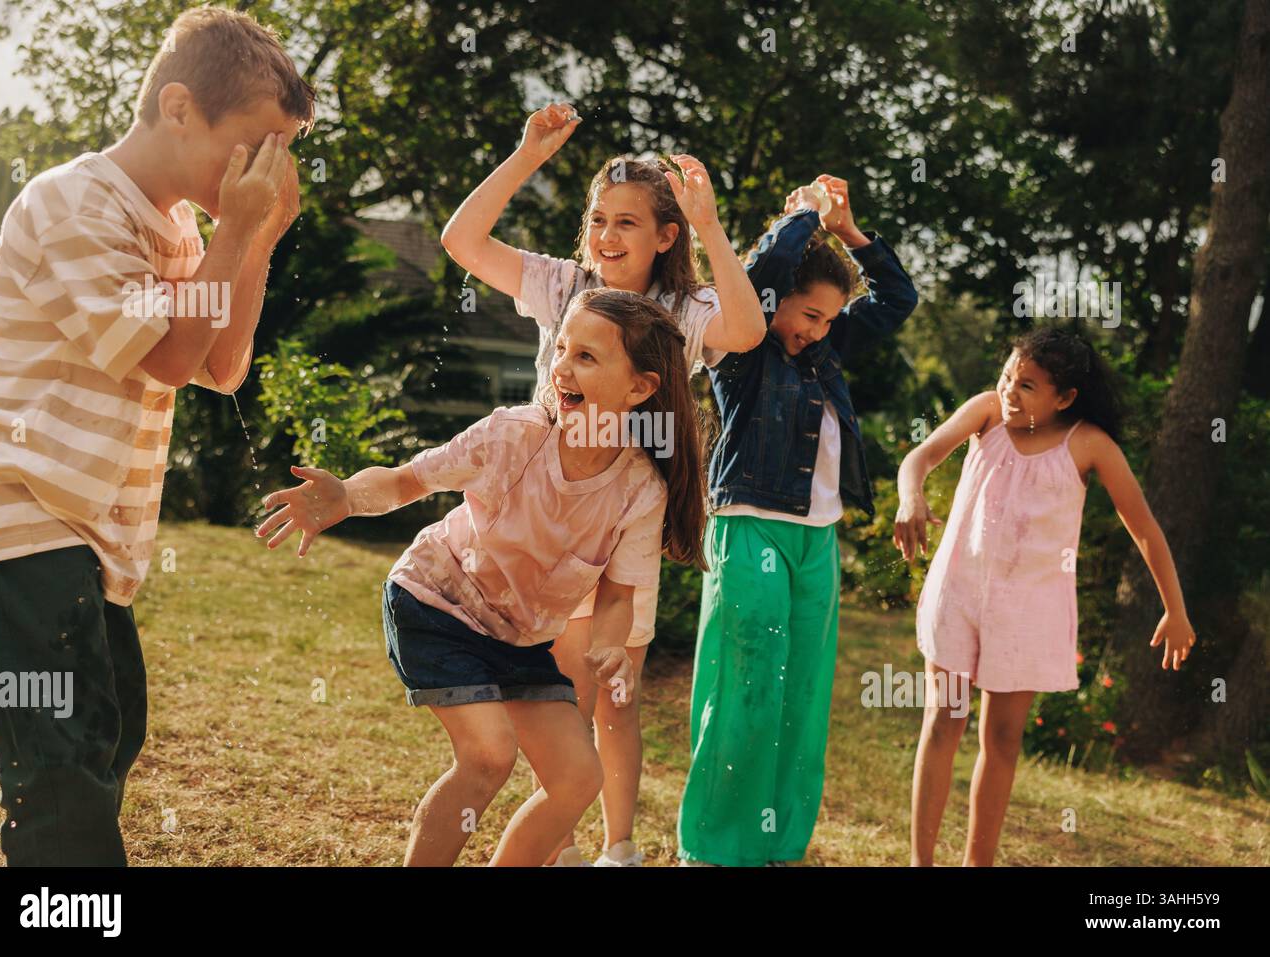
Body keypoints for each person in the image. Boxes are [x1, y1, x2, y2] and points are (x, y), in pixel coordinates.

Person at [0, 6, 311, 865]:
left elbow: (221, 361)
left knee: (109, 735)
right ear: (179, 107)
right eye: (255, 143)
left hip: (87, 535)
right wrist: (236, 230)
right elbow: (165, 354)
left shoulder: (184, 227)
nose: (265, 169)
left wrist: (256, 236)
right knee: (61, 766)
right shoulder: (74, 205)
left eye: (281, 151)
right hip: (16, 522)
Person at [257, 288, 708, 866]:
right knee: (489, 755)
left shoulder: (641, 489)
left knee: (577, 778)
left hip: (515, 638)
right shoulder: (513, 435)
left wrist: (608, 645)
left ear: (641, 389)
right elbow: (405, 481)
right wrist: (345, 495)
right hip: (435, 604)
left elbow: (619, 595)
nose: (562, 366)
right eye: (563, 348)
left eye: (588, 357)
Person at [440, 102, 762, 866]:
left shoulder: (685, 308)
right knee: (561, 695)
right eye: (597, 219)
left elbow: (748, 330)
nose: (606, 236)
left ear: (665, 236)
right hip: (548, 523)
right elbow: (460, 241)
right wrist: (526, 157)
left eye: (626, 222)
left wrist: (712, 226)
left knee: (616, 695)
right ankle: (558, 840)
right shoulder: (561, 285)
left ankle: (618, 849)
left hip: (625, 527)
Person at [678, 176, 919, 866]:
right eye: (807, 314)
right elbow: (759, 276)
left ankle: (779, 843)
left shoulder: (825, 351)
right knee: (746, 684)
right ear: (775, 304)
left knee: (802, 695)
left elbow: (899, 298)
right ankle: (717, 848)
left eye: (826, 320)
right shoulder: (743, 346)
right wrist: (805, 213)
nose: (814, 329)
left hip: (819, 537)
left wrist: (847, 232)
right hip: (750, 525)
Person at [896, 326, 1198, 866]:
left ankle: (976, 864)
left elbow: (1146, 529)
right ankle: (921, 862)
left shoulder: (1089, 445)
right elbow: (919, 457)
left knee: (1003, 739)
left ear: (1065, 398)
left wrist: (1175, 610)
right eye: (1009, 376)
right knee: (944, 722)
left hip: (1029, 614)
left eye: (1028, 386)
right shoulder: (986, 412)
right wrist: (910, 497)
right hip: (959, 594)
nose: (1011, 390)